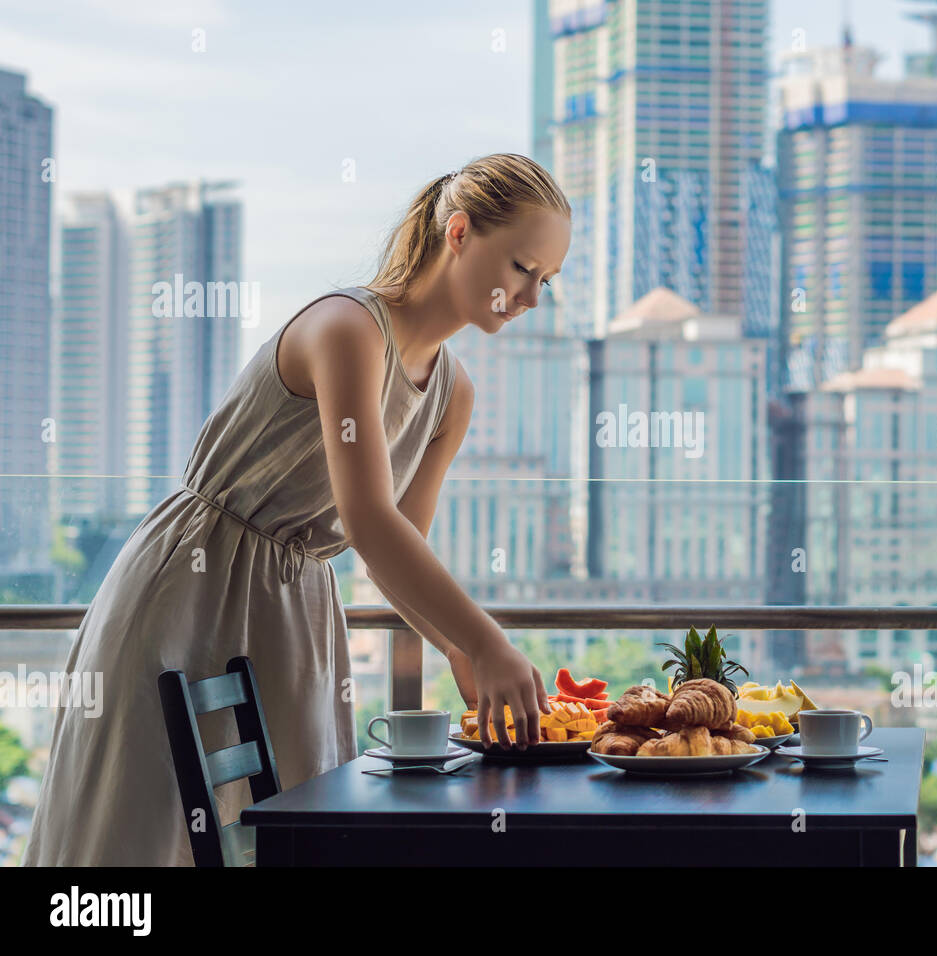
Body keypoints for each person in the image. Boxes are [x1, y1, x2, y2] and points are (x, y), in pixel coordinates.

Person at [23, 152, 572, 865]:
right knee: (138, 833)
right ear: (460, 233)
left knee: (279, 839)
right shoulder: (347, 329)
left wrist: (458, 649)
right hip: (191, 582)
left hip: (296, 609)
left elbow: (404, 544)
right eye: (523, 268)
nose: (531, 297)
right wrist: (488, 643)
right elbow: (370, 520)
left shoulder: (452, 394)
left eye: (548, 281)